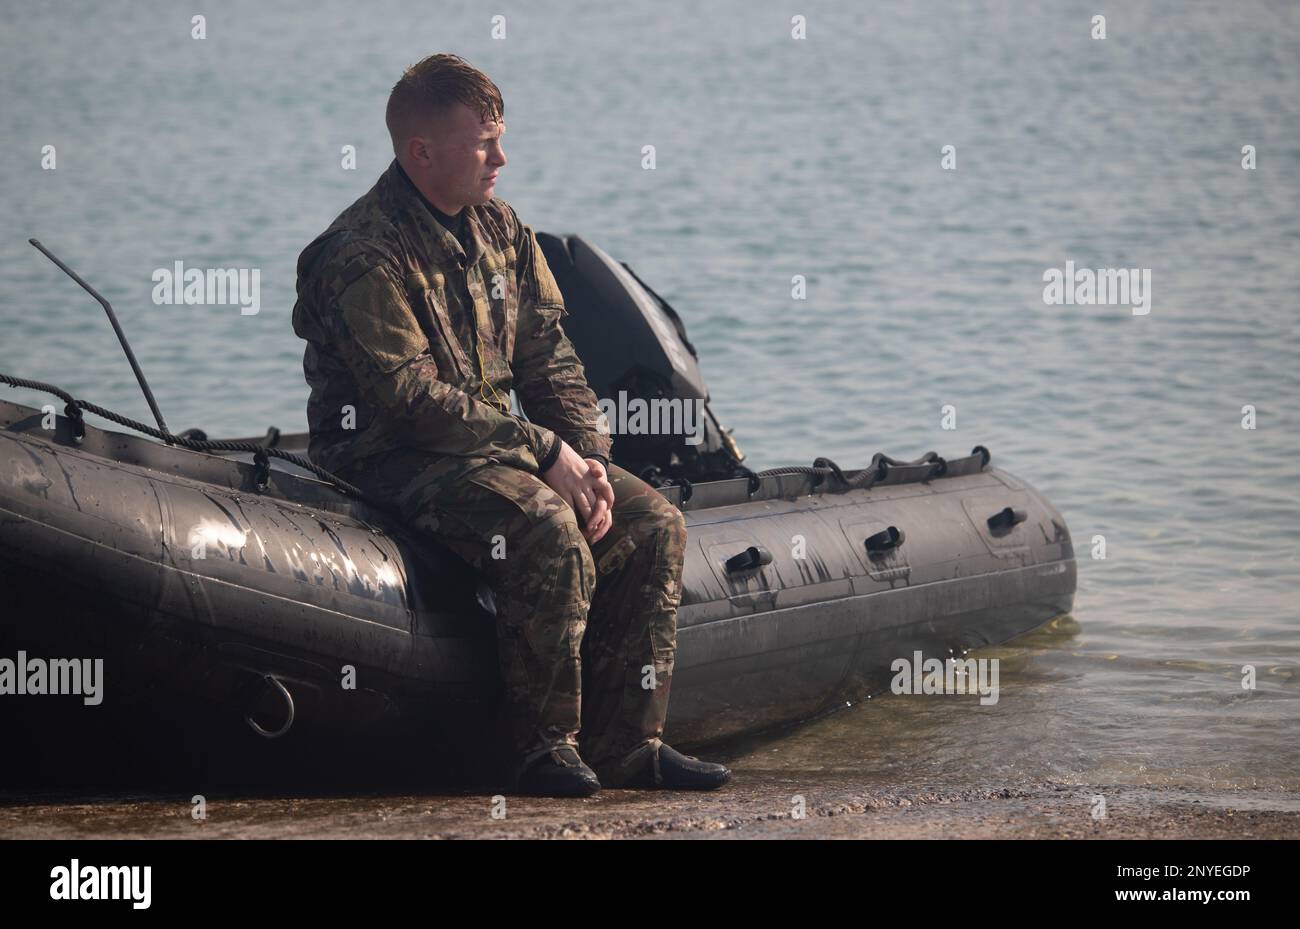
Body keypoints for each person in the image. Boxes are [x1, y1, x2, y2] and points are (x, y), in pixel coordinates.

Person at [291, 53, 730, 796]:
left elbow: (550, 359)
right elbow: (411, 401)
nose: (502, 157)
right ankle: (543, 749)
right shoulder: (361, 254)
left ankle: (629, 745)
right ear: (420, 152)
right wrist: (545, 453)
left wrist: (587, 460)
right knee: (545, 527)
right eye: (483, 142)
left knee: (652, 521)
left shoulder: (500, 230)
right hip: (389, 454)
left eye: (501, 137)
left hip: (490, 446)